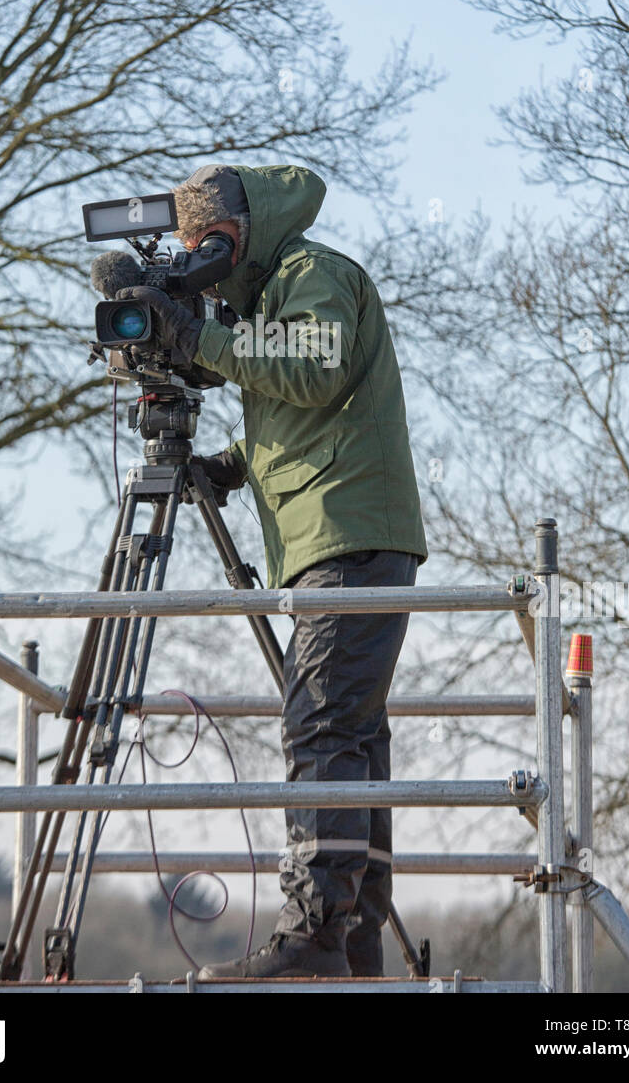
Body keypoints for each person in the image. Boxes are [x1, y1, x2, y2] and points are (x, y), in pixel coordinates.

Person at [116, 163, 427, 978]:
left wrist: (198, 338)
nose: (195, 256)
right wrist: (231, 463)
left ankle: (316, 938)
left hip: (350, 536)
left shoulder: (314, 273)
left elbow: (313, 370)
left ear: (239, 230)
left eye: (202, 240)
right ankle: (353, 940)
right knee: (350, 735)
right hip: (337, 533)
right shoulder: (265, 296)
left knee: (321, 725)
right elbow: (297, 418)